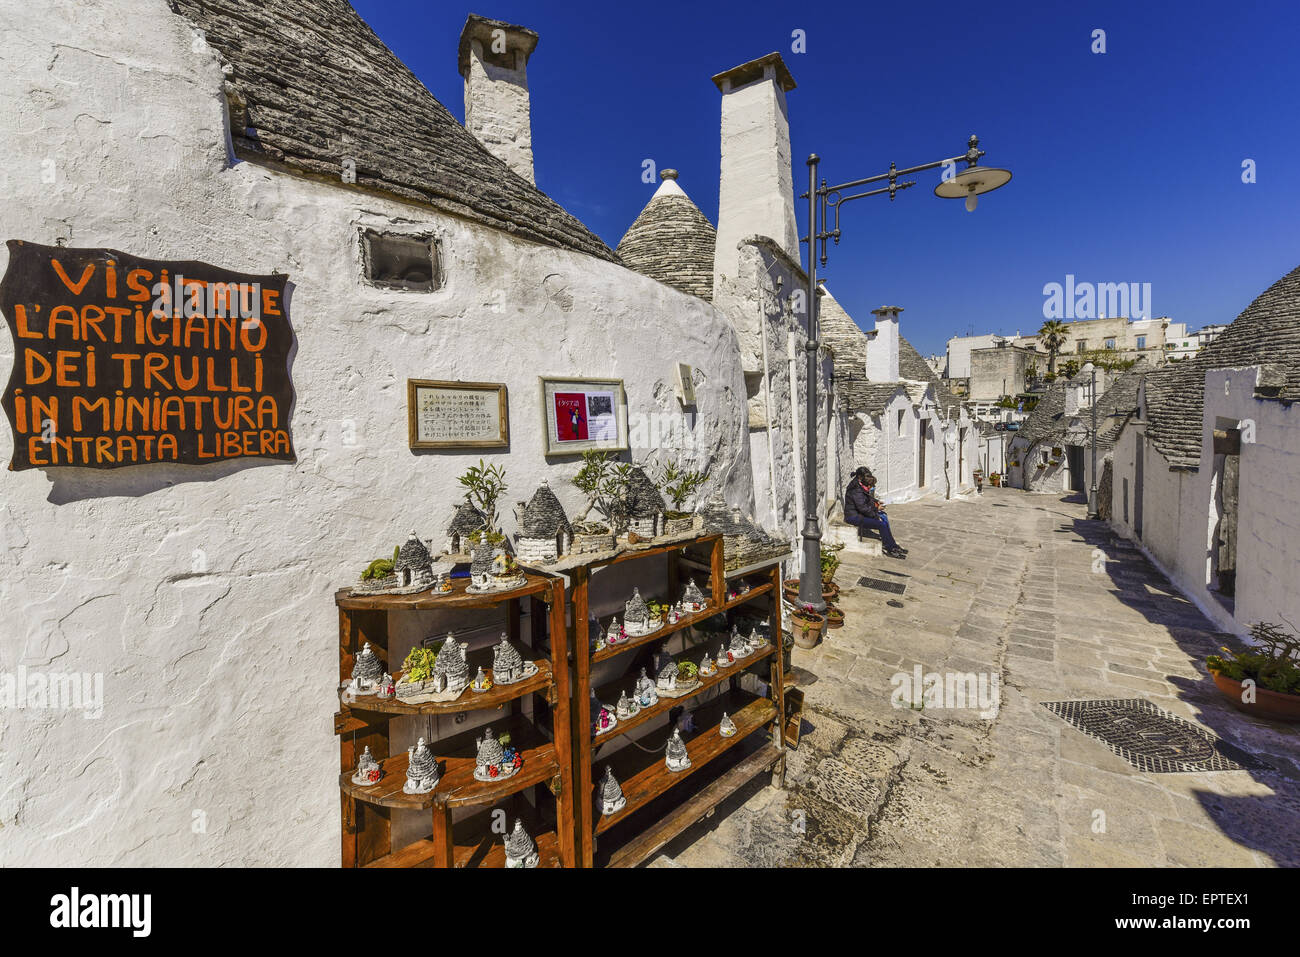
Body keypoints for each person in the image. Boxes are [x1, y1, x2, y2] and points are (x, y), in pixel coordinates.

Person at [843, 467, 907, 559]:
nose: (871, 488)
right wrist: (876, 513)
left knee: (884, 517)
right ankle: (890, 548)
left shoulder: (860, 485)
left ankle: (892, 545)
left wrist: (877, 503)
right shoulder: (856, 490)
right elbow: (863, 508)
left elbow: (867, 500)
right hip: (853, 517)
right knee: (881, 524)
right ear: (861, 477)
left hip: (860, 514)